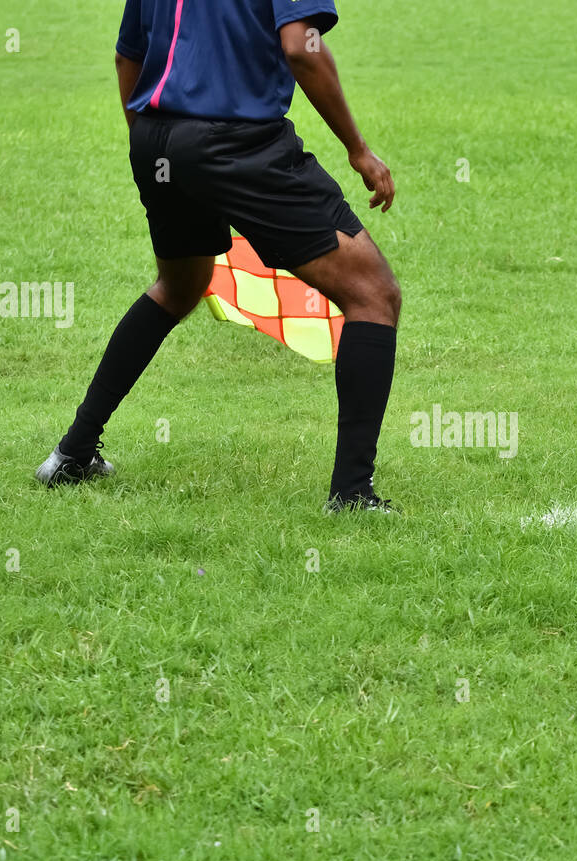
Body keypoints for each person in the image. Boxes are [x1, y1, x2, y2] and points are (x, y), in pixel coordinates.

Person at [35, 0, 401, 512]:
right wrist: (358, 149)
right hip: (236, 143)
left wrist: (159, 150)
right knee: (373, 293)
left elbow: (128, 58)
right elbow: (303, 47)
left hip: (156, 139)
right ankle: (353, 495)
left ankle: (71, 455)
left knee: (179, 288)